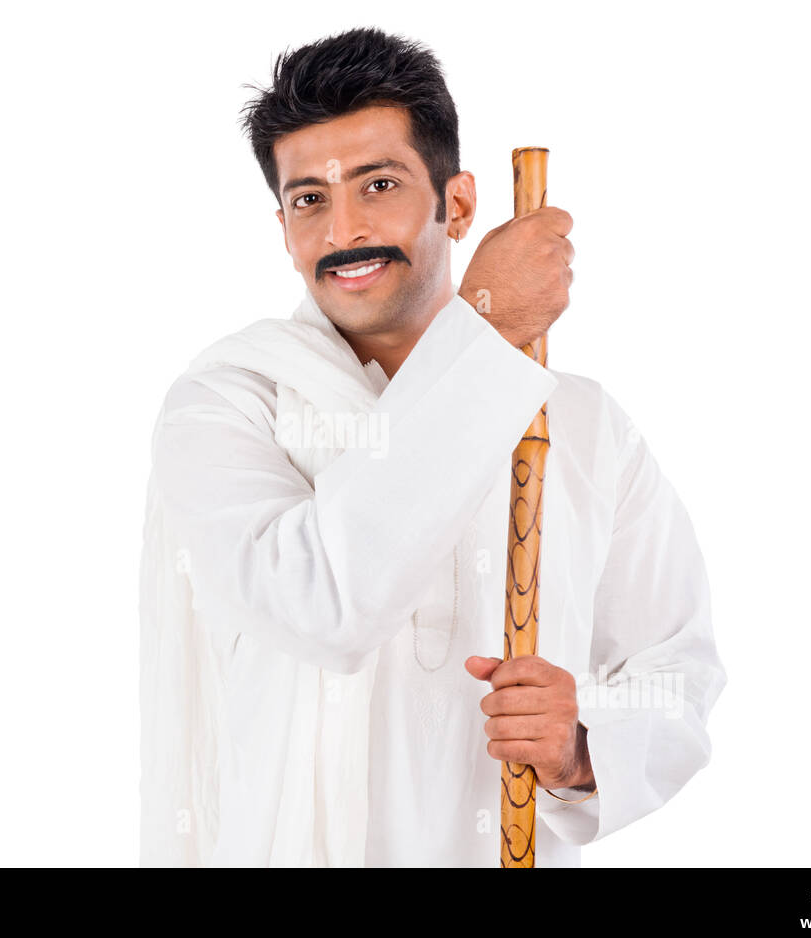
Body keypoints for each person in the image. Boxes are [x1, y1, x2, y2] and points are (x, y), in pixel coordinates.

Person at [139, 26, 726, 867]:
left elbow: (679, 665)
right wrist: (486, 329)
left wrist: (584, 746)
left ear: (456, 203)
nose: (344, 229)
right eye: (310, 198)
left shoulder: (583, 427)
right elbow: (320, 603)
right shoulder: (226, 406)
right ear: (282, 227)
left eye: (379, 184)